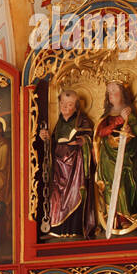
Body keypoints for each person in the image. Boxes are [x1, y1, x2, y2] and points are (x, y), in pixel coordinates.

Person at [38, 89, 95, 239]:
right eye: (62, 103)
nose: (64, 107)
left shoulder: (82, 121)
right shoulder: (59, 123)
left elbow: (90, 139)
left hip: (75, 167)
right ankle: (57, 229)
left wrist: (82, 141)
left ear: (76, 107)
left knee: (74, 194)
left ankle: (74, 229)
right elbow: (53, 144)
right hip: (58, 168)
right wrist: (45, 138)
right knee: (56, 196)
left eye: (69, 104)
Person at [93, 79, 137, 236]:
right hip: (107, 158)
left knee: (123, 184)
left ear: (123, 94)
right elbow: (100, 133)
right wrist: (118, 120)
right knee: (109, 185)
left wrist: (130, 132)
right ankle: (112, 218)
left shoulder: (131, 115)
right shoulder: (106, 116)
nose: (111, 95)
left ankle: (126, 218)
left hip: (125, 158)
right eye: (109, 93)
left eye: (115, 92)